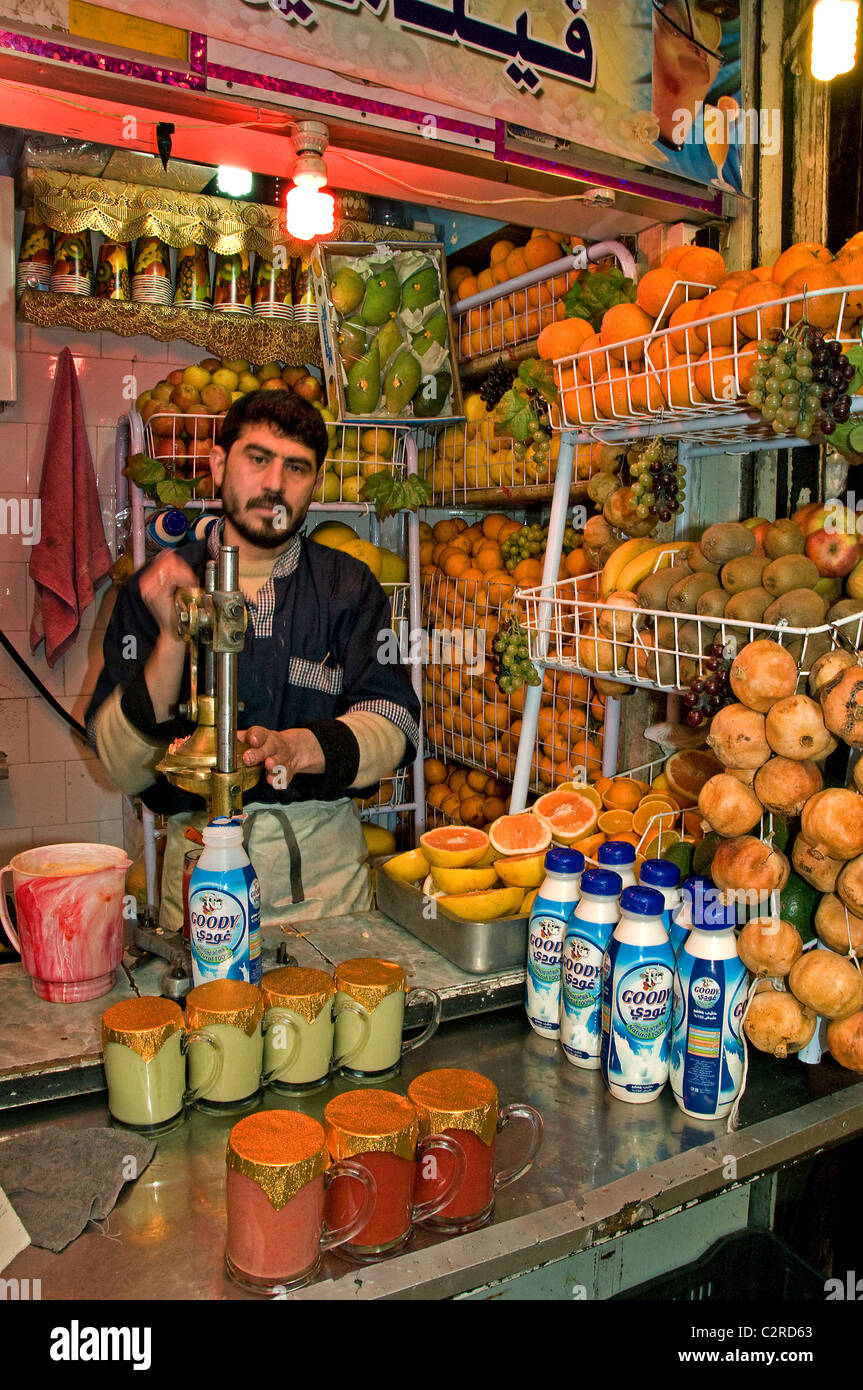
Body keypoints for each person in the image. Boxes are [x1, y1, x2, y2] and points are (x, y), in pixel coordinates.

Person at [87, 389, 420, 932]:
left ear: (315, 481)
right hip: (198, 893)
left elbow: (396, 726)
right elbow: (121, 763)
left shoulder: (348, 587)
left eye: (296, 468)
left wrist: (297, 748)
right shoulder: (157, 588)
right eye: (258, 459)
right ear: (220, 465)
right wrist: (175, 635)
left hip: (325, 894)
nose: (274, 485)